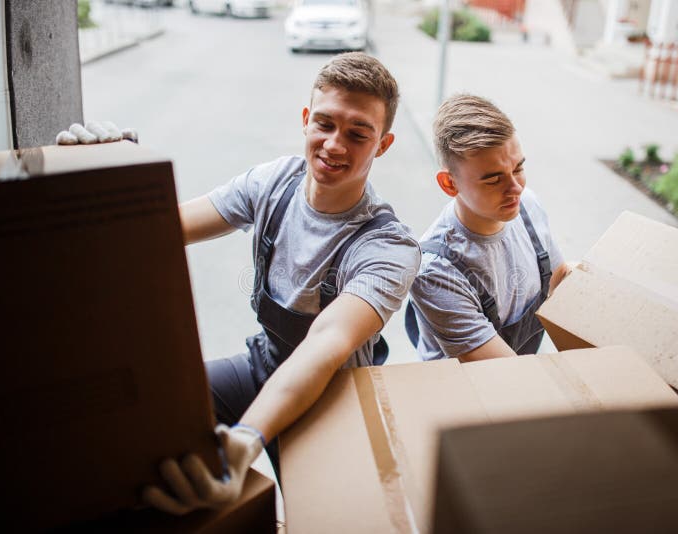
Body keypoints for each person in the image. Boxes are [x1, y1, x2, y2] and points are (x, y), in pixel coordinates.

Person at [62, 52, 420, 514]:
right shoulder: (274, 183)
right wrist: (99, 171)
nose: (334, 145)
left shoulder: (389, 247)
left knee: (331, 516)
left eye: (357, 134)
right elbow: (157, 230)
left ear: (383, 144)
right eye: (325, 124)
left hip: (335, 395)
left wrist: (248, 437)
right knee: (144, 415)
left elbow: (327, 343)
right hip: (263, 365)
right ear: (306, 120)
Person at [405, 94, 568, 362]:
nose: (516, 189)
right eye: (494, 180)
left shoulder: (527, 206)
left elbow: (560, 279)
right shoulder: (435, 270)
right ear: (449, 184)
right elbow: (501, 373)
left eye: (518, 168)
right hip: (468, 392)